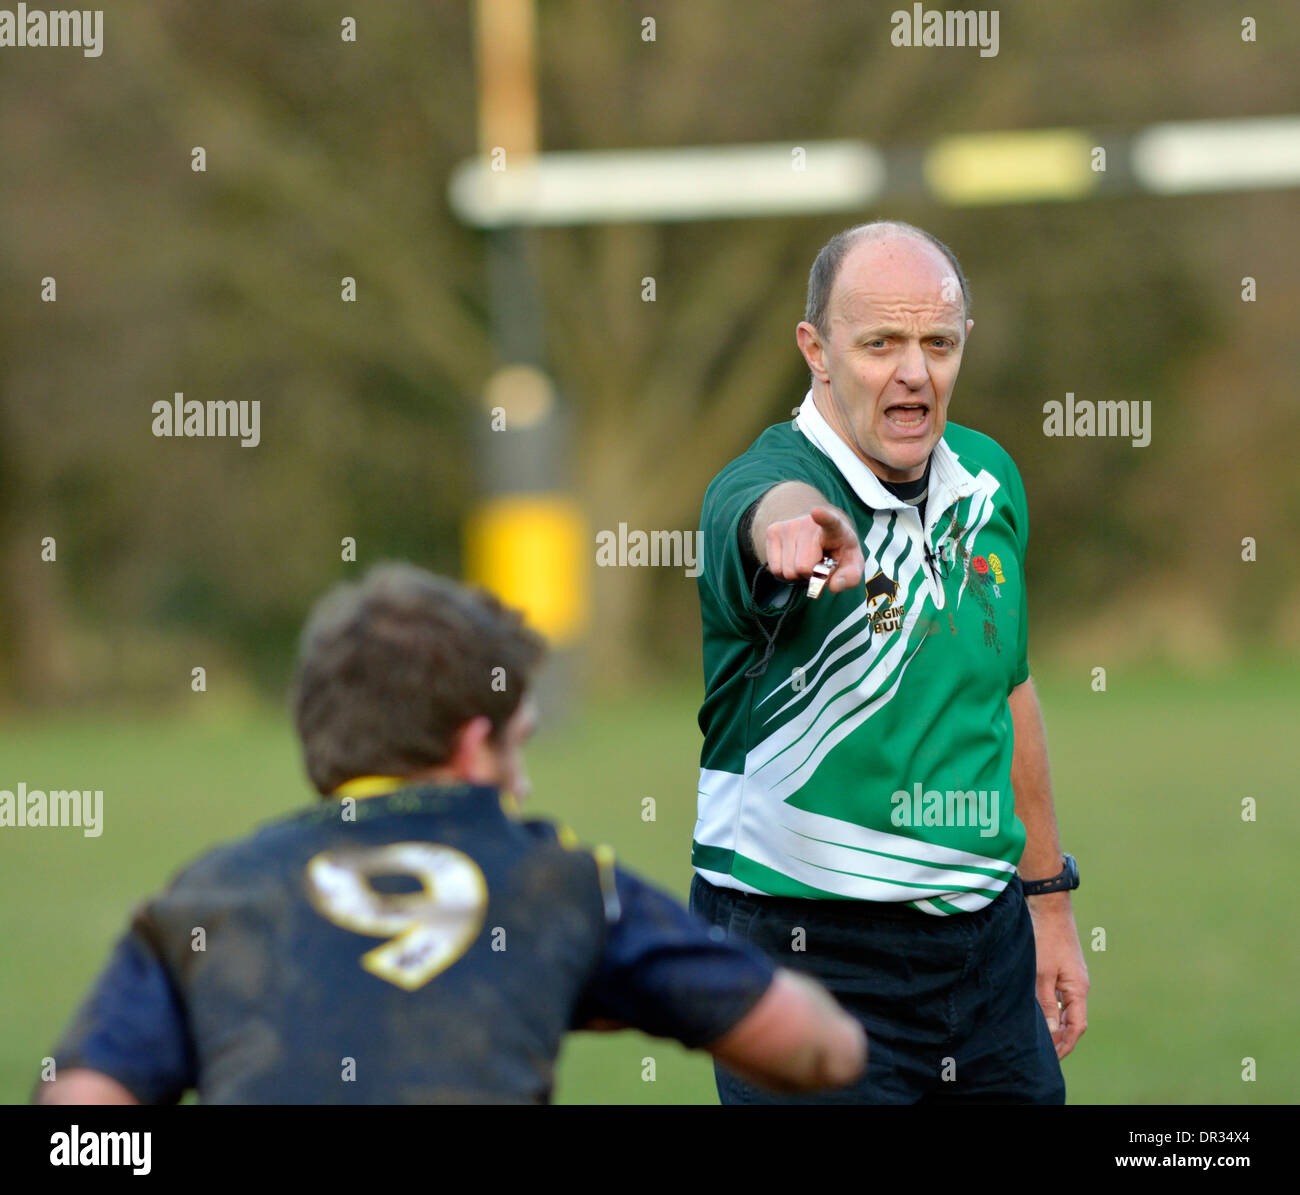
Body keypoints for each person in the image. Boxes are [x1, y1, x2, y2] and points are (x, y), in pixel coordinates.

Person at [36, 564, 865, 1104]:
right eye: (520, 746)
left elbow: (81, 1113)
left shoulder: (209, 893)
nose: (525, 781)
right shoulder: (558, 884)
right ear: (474, 746)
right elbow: (816, 1047)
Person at [689, 220, 1089, 1105]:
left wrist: (1047, 902)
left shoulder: (988, 480)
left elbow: (1007, 691)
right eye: (880, 344)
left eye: (937, 343)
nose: (915, 371)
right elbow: (760, 511)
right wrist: (792, 528)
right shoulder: (760, 486)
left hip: (986, 953)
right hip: (804, 956)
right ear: (817, 350)